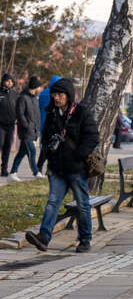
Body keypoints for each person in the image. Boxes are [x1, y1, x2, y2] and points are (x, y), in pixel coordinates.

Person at [25, 79, 99, 253]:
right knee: (52, 202)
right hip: (57, 168)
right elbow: (45, 139)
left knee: (82, 204)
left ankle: (85, 239)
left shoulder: (81, 112)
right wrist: (46, 160)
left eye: (60, 95)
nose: (56, 98)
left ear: (68, 95)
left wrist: (78, 155)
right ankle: (43, 237)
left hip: (76, 169)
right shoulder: (52, 114)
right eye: (54, 94)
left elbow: (93, 137)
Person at [10, 76, 43, 180]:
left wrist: (37, 129)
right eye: (39, 87)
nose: (41, 89)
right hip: (26, 131)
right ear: (35, 87)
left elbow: (36, 115)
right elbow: (20, 114)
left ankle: (12, 173)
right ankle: (36, 172)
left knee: (22, 153)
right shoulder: (22, 98)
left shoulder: (34, 99)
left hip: (33, 130)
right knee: (32, 151)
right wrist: (27, 126)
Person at [0, 73, 17, 176]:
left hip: (11, 125)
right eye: (7, 81)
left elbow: (17, 107)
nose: (10, 83)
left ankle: (4, 168)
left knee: (7, 146)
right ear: (3, 82)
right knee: (0, 144)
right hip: (0, 125)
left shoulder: (14, 93)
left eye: (11, 81)